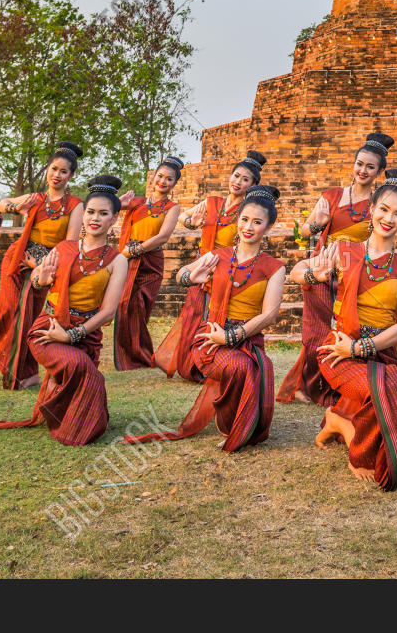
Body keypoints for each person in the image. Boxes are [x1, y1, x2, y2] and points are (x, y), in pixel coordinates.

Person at [0, 175, 128, 446]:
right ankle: (82, 426)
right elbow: (39, 279)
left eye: (103, 213)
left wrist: (71, 336)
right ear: (83, 215)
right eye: (90, 212)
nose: (94, 218)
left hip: (84, 334)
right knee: (82, 368)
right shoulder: (63, 249)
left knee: (79, 367)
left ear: (113, 219)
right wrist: (42, 278)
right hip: (47, 330)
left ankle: (65, 414)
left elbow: (108, 312)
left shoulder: (117, 261)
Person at [126, 185, 287, 452]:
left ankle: (242, 421)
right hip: (208, 339)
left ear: (268, 228)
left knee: (257, 366)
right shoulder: (217, 256)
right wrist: (192, 278)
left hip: (246, 340)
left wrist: (232, 336)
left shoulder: (275, 267)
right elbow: (181, 275)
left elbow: (269, 314)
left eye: (257, 222)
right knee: (240, 368)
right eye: (244, 219)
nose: (248, 227)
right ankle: (230, 424)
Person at [291, 169, 397, 490]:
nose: (389, 218)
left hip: (377, 355)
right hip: (336, 352)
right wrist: (315, 275)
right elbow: (297, 270)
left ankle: (339, 418)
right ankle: (358, 449)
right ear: (371, 209)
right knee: (381, 393)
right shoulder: (344, 251)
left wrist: (361, 348)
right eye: (383, 209)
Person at [0, 141, 85, 387]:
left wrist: (41, 266)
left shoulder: (75, 205)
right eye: (54, 169)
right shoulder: (35, 198)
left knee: (28, 318)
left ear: (71, 176)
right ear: (48, 170)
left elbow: (70, 245)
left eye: (63, 171)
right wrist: (16, 207)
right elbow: (0, 204)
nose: (57, 175)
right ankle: (1, 367)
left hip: (45, 268)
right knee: (9, 313)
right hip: (17, 263)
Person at [277, 133, 394, 405]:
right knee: (315, 331)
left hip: (357, 275)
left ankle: (339, 384)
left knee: (347, 330)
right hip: (322, 269)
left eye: (370, 167)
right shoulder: (331, 196)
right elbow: (303, 232)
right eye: (359, 164)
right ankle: (307, 386)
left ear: (379, 172)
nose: (363, 171)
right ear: (353, 164)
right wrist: (319, 223)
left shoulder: (380, 205)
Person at [154, 150, 268, 383]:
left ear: (253, 184)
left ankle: (208, 364)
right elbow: (185, 218)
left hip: (227, 270)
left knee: (214, 316)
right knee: (193, 315)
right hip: (201, 267)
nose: (238, 182)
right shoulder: (213, 202)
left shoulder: (246, 213)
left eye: (245, 180)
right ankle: (190, 364)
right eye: (236, 176)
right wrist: (192, 222)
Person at [112, 155, 184, 370]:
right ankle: (126, 355)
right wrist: (119, 202)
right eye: (160, 176)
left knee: (141, 306)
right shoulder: (137, 202)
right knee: (124, 304)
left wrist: (136, 250)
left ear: (174, 183)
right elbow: (108, 209)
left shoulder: (172, 207)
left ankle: (141, 355)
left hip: (150, 262)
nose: (163, 181)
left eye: (169, 179)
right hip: (126, 259)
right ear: (153, 177)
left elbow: (162, 237)